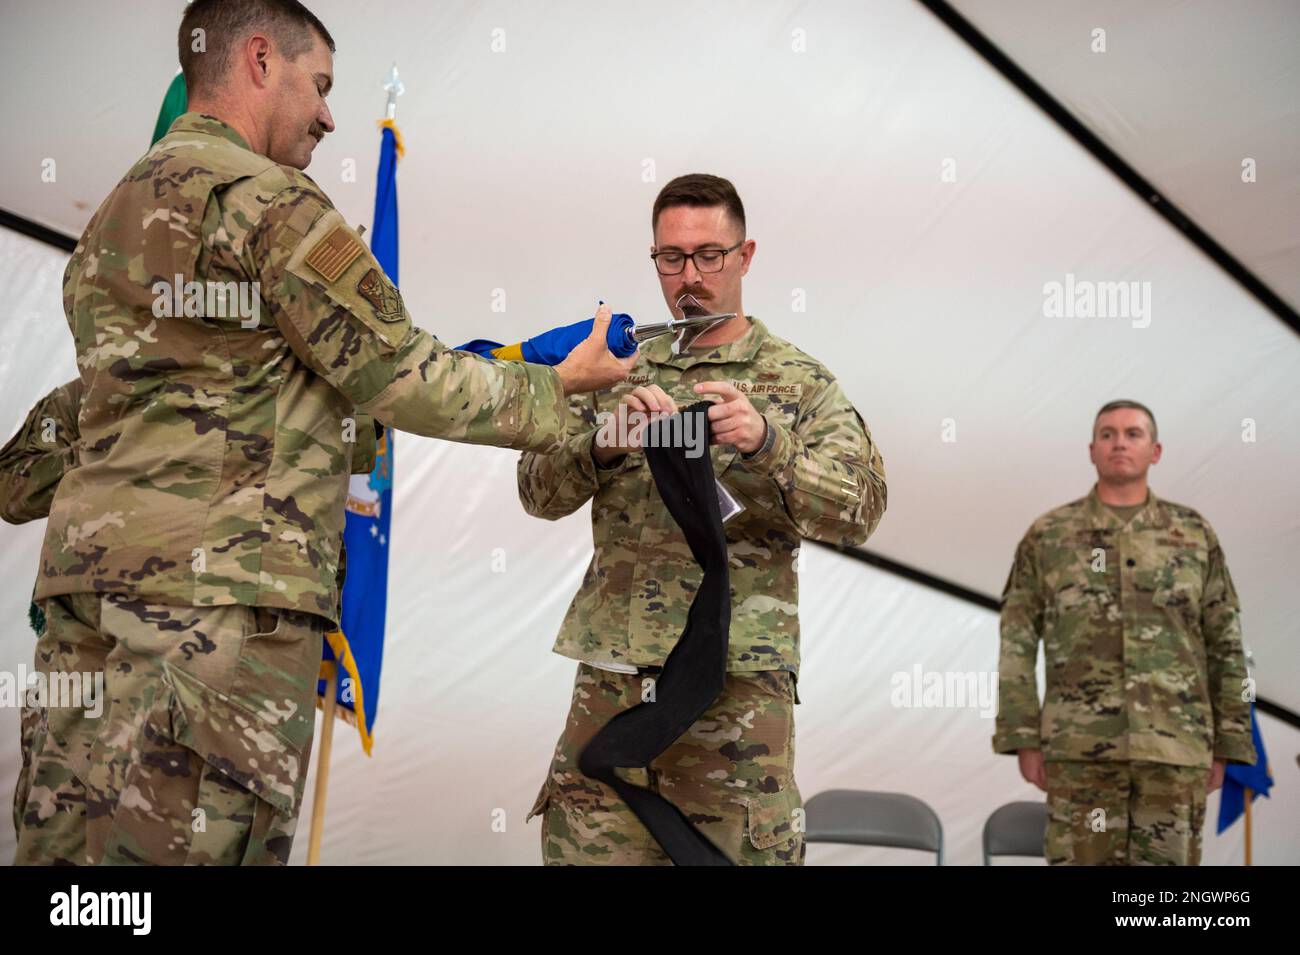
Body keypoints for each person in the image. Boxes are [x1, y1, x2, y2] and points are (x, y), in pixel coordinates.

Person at [13, 0, 633, 866]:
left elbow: (139, 408)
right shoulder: (269, 201)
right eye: (320, 85)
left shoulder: (108, 224)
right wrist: (559, 389)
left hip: (86, 612)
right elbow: (401, 372)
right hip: (214, 625)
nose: (330, 116)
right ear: (260, 60)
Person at [519, 173, 887, 865]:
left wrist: (769, 443)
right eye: (671, 257)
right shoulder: (611, 369)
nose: (690, 276)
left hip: (733, 696)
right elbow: (537, 492)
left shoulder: (798, 380)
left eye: (709, 255)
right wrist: (600, 443)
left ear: (745, 257)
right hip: (613, 689)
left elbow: (860, 509)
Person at [993, 400, 1256, 865]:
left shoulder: (1193, 534)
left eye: (1133, 434)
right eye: (1108, 433)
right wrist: (1024, 736)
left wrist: (1230, 743)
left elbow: (1227, 643)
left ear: (1155, 451)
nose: (1119, 443)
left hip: (1176, 748)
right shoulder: (1049, 535)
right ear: (1092, 449)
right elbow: (1016, 641)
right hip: (1079, 750)